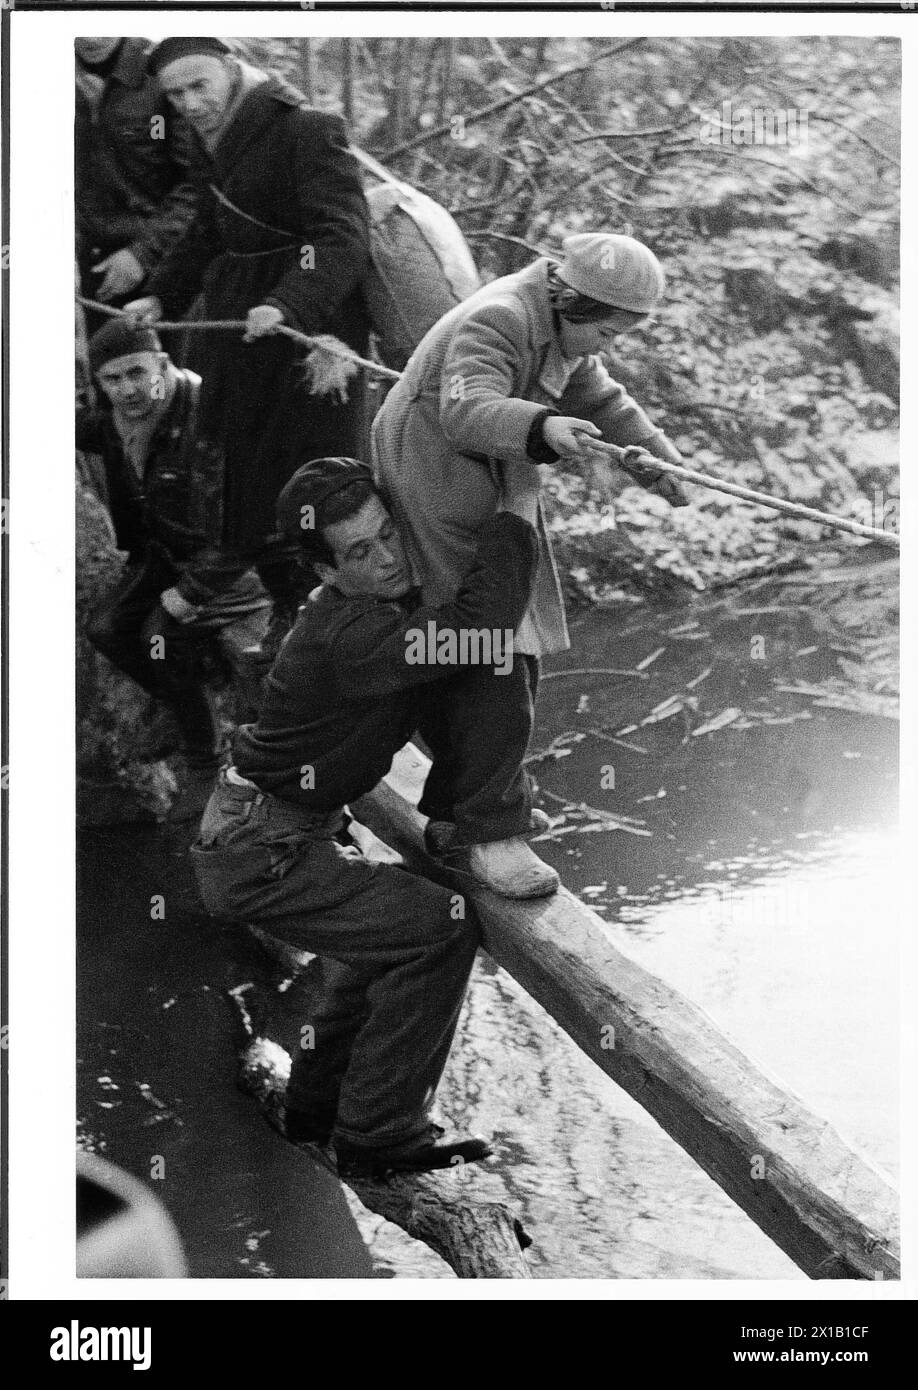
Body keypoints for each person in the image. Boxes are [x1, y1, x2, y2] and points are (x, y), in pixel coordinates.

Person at [190, 455, 540, 1176]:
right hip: (262, 854)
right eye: (359, 552)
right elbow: (484, 630)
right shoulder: (351, 637)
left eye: (390, 534)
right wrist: (517, 510)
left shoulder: (372, 615)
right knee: (438, 927)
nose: (387, 559)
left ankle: (315, 1107)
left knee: (370, 950)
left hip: (285, 833)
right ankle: (380, 1136)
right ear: (325, 573)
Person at [371, 231, 690, 894]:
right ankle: (491, 834)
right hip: (439, 482)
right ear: (578, 304)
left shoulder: (558, 326)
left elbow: (599, 397)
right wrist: (543, 428)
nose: (609, 346)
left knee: (507, 648)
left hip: (488, 478)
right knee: (492, 651)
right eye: (609, 332)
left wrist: (656, 457)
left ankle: (473, 808)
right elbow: (466, 408)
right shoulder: (502, 317)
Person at [125, 36, 373, 654]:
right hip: (240, 322)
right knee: (244, 470)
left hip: (310, 333)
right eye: (176, 94)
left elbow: (342, 237)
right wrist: (162, 294)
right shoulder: (206, 137)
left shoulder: (308, 129)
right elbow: (210, 226)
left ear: (232, 71)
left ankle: (342, 613)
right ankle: (290, 608)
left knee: (309, 473)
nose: (188, 103)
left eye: (198, 85)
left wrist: (291, 302)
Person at [81, 319, 271, 814]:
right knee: (105, 628)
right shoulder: (120, 417)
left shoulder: (207, 420)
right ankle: (188, 695)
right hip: (167, 556)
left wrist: (190, 594)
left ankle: (205, 756)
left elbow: (245, 531)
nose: (126, 390)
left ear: (163, 366)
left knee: (159, 638)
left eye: (136, 373)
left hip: (232, 567)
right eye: (112, 380)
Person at [75, 38, 197, 315]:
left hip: (155, 269)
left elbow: (196, 184)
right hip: (75, 266)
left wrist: (144, 254)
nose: (92, 36)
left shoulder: (162, 77)